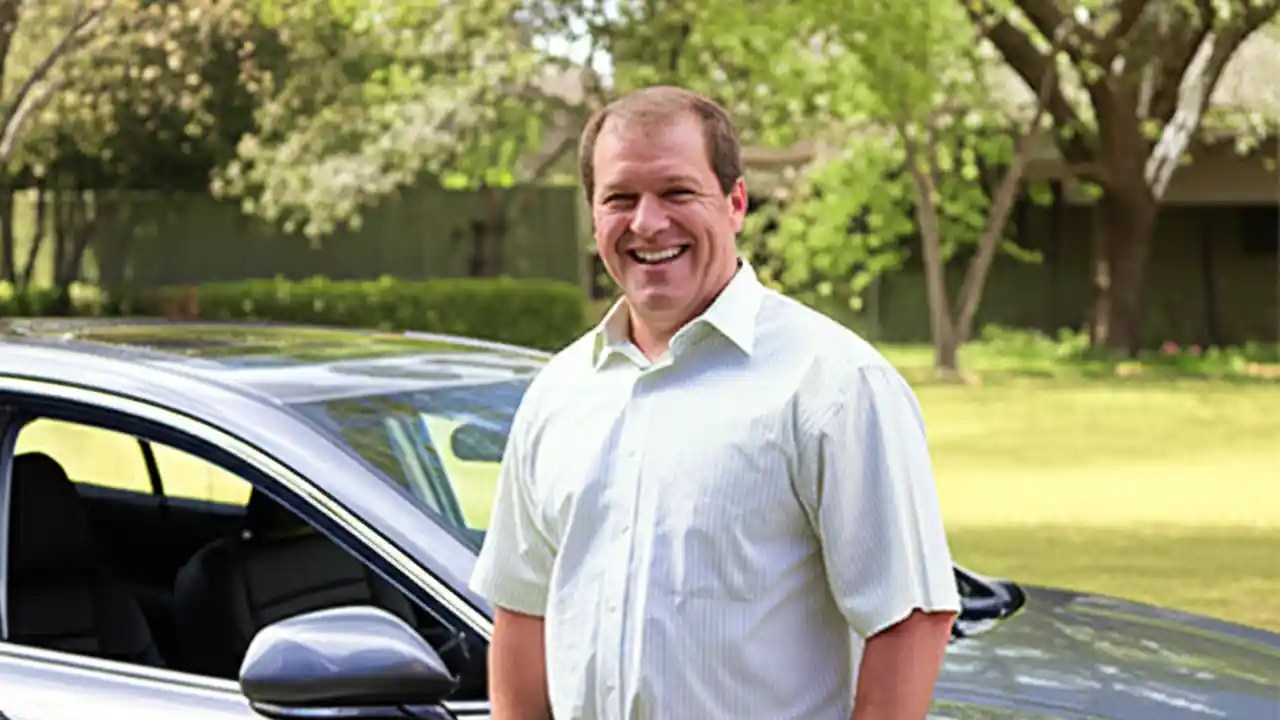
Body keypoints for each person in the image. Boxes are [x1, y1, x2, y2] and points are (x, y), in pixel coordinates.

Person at [469, 85, 961, 720]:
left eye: (676, 192)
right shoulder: (558, 394)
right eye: (620, 198)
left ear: (735, 202)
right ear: (593, 216)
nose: (647, 223)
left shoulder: (834, 383)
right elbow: (523, 610)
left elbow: (911, 618)